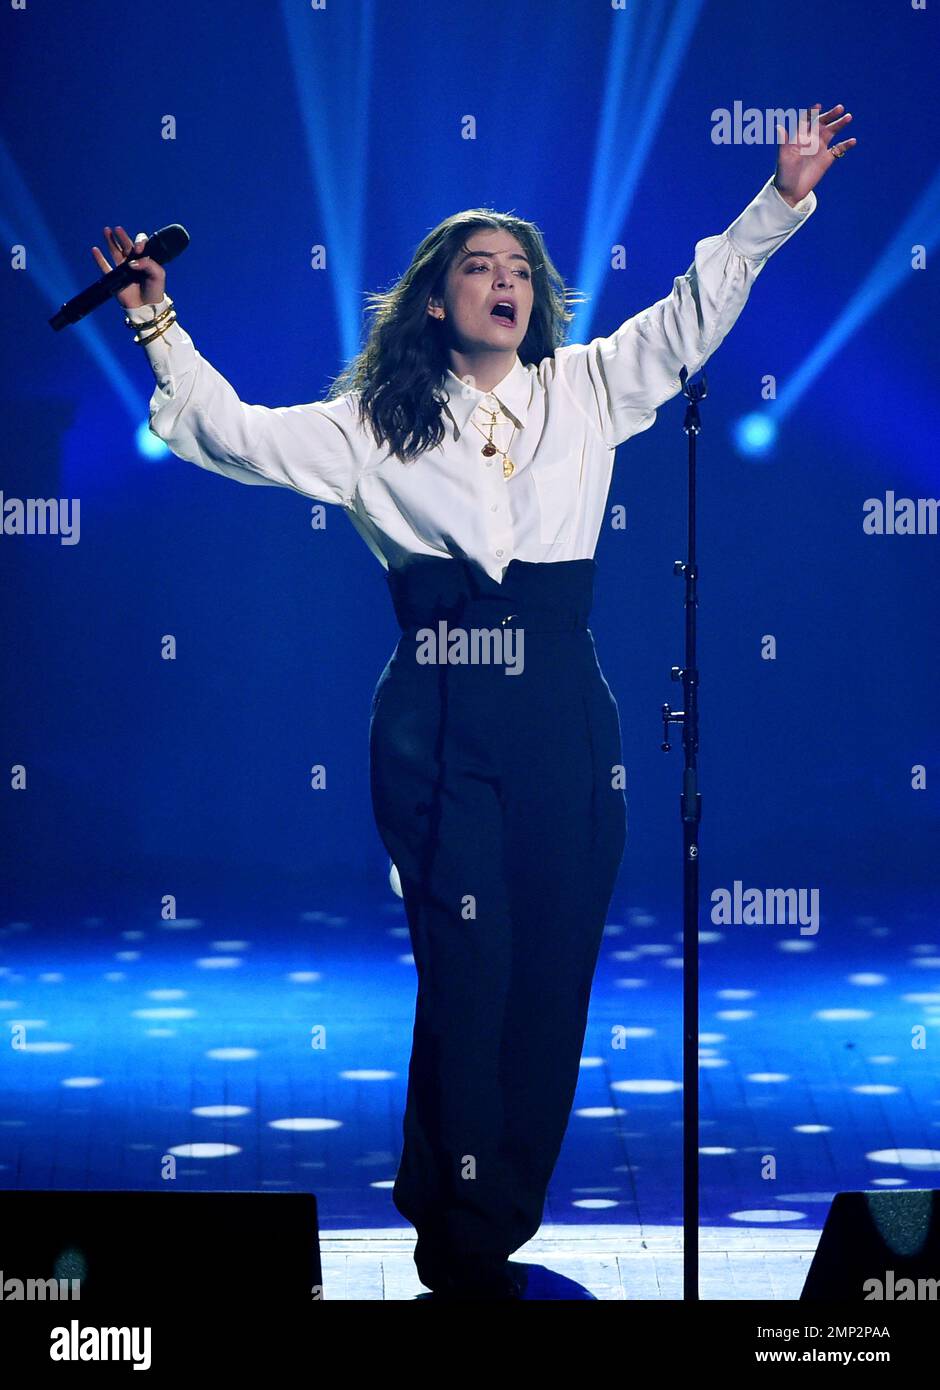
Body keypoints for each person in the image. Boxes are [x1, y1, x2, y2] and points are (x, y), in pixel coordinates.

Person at [95, 103, 854, 1301]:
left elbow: (694, 310)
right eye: (476, 268)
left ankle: (499, 1215)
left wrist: (781, 197)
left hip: (565, 720)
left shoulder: (590, 387)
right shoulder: (368, 424)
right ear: (436, 299)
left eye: (517, 271)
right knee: (467, 974)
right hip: (439, 724)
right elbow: (228, 434)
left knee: (553, 974)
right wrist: (156, 321)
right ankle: (448, 1227)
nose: (502, 283)